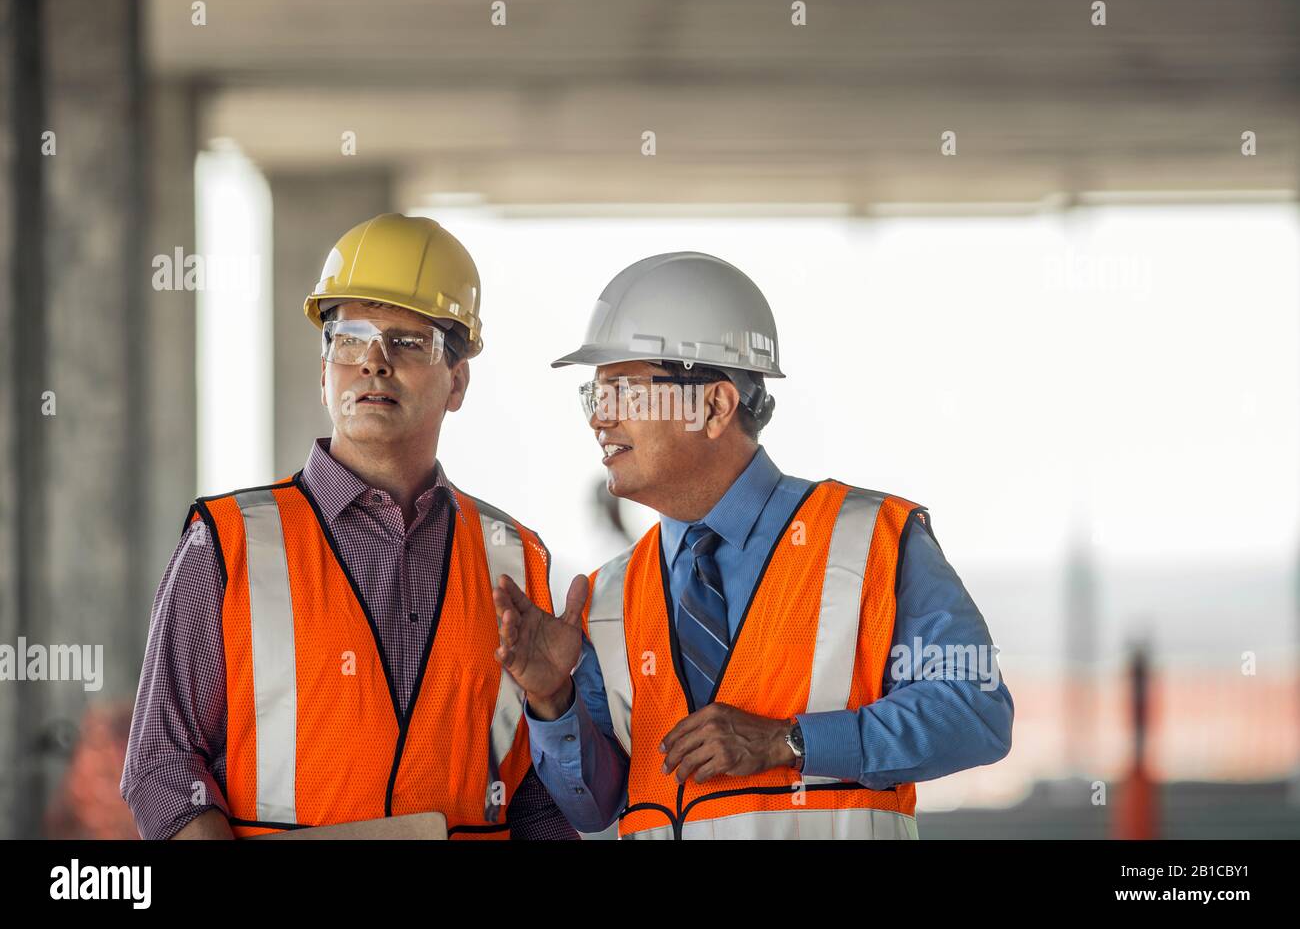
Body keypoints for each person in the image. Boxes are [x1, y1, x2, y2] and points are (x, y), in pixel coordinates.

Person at [493, 251, 1013, 838]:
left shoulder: (873, 540)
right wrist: (552, 698)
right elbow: (597, 806)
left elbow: (977, 713)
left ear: (715, 405)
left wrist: (791, 741)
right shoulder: (609, 596)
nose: (599, 420)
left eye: (626, 394)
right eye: (596, 396)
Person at [121, 213, 575, 839]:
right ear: (324, 369)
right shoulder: (227, 543)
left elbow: (535, 802)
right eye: (350, 338)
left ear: (458, 382)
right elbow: (162, 767)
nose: (373, 363)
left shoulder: (515, 560)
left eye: (407, 342)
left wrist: (562, 707)